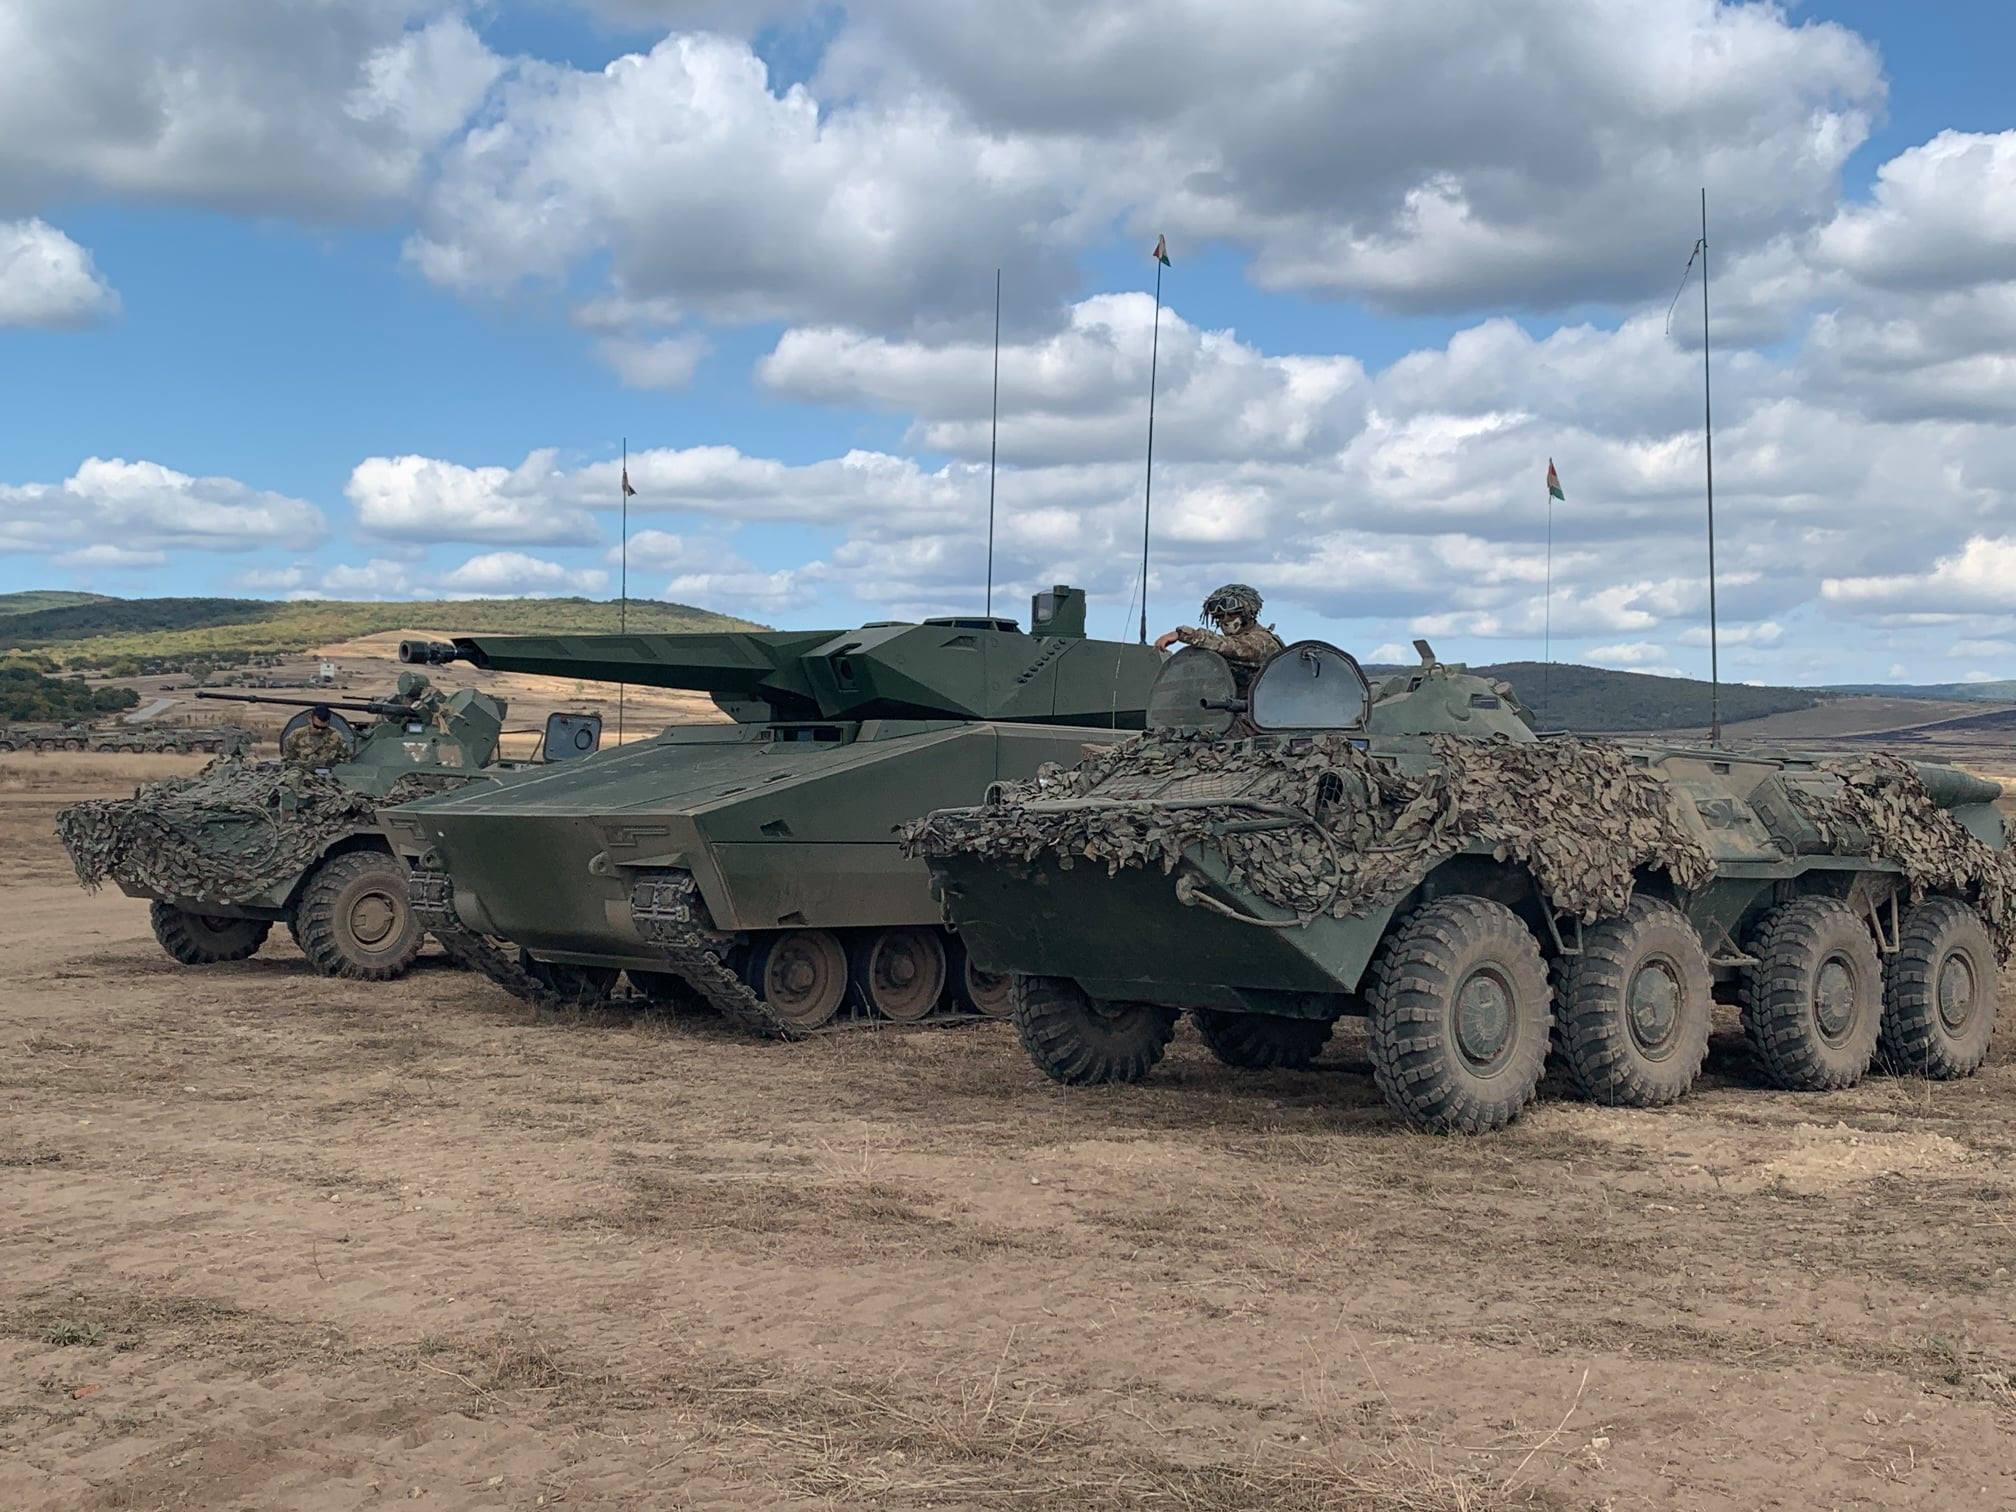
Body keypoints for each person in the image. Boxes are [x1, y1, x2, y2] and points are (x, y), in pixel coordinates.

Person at [1154, 584, 1284, 693]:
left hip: (1257, 718)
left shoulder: (1263, 642)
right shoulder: (1223, 648)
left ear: (1248, 613)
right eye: (1220, 616)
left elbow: (1232, 646)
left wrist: (1184, 634)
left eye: (1232, 614)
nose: (1225, 620)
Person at [283, 705, 348, 771]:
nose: (320, 730)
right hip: (301, 773)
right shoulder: (296, 736)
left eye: (323, 728)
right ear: (309, 719)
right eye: (316, 726)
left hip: (328, 775)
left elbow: (346, 761)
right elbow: (288, 761)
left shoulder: (337, 737)